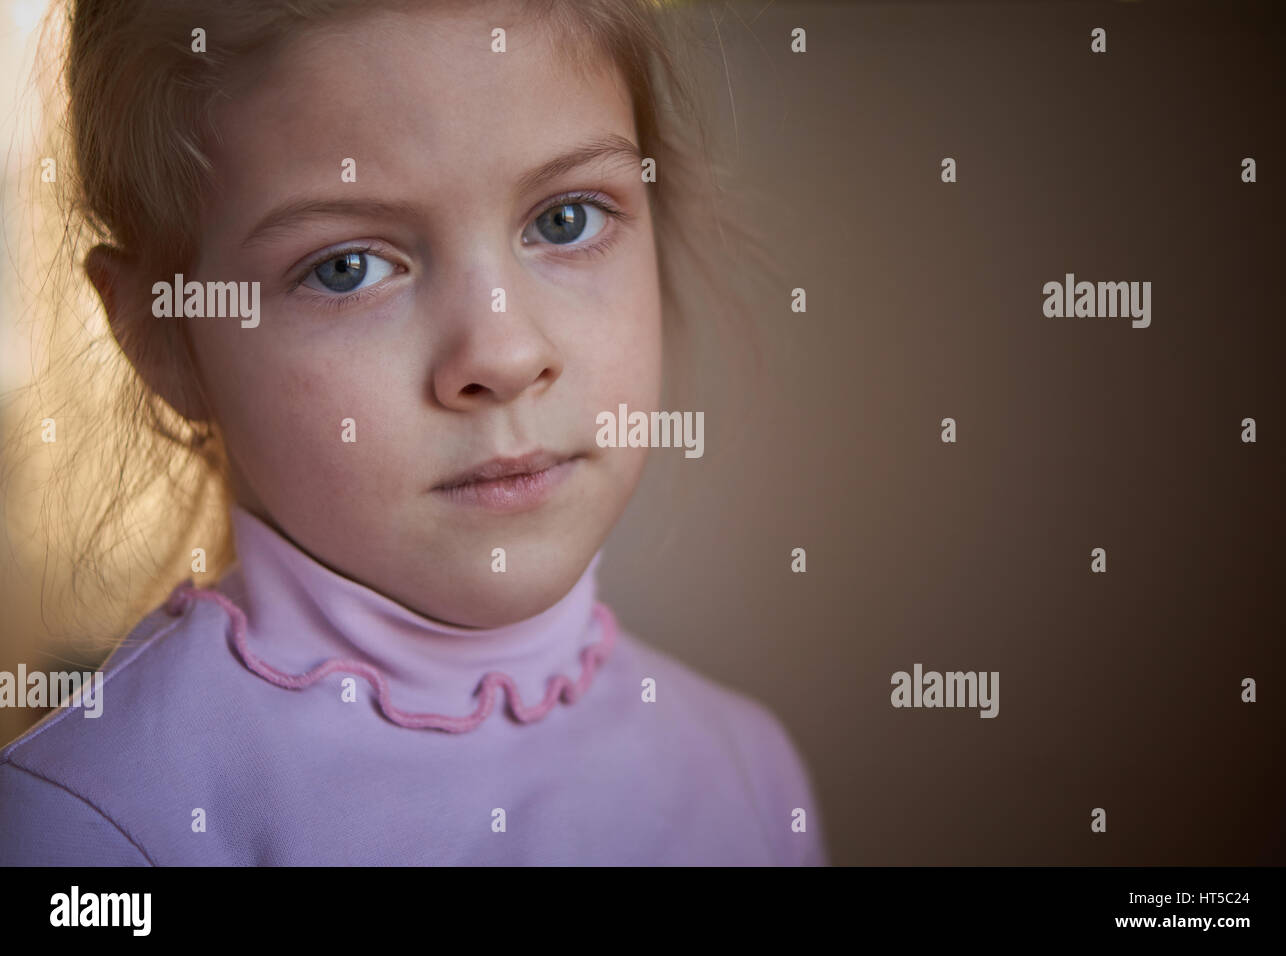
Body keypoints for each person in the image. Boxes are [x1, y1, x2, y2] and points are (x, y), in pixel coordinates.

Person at [0, 0, 828, 865]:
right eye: (347, 268)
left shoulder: (749, 772)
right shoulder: (96, 822)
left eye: (565, 219)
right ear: (163, 339)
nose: (504, 355)